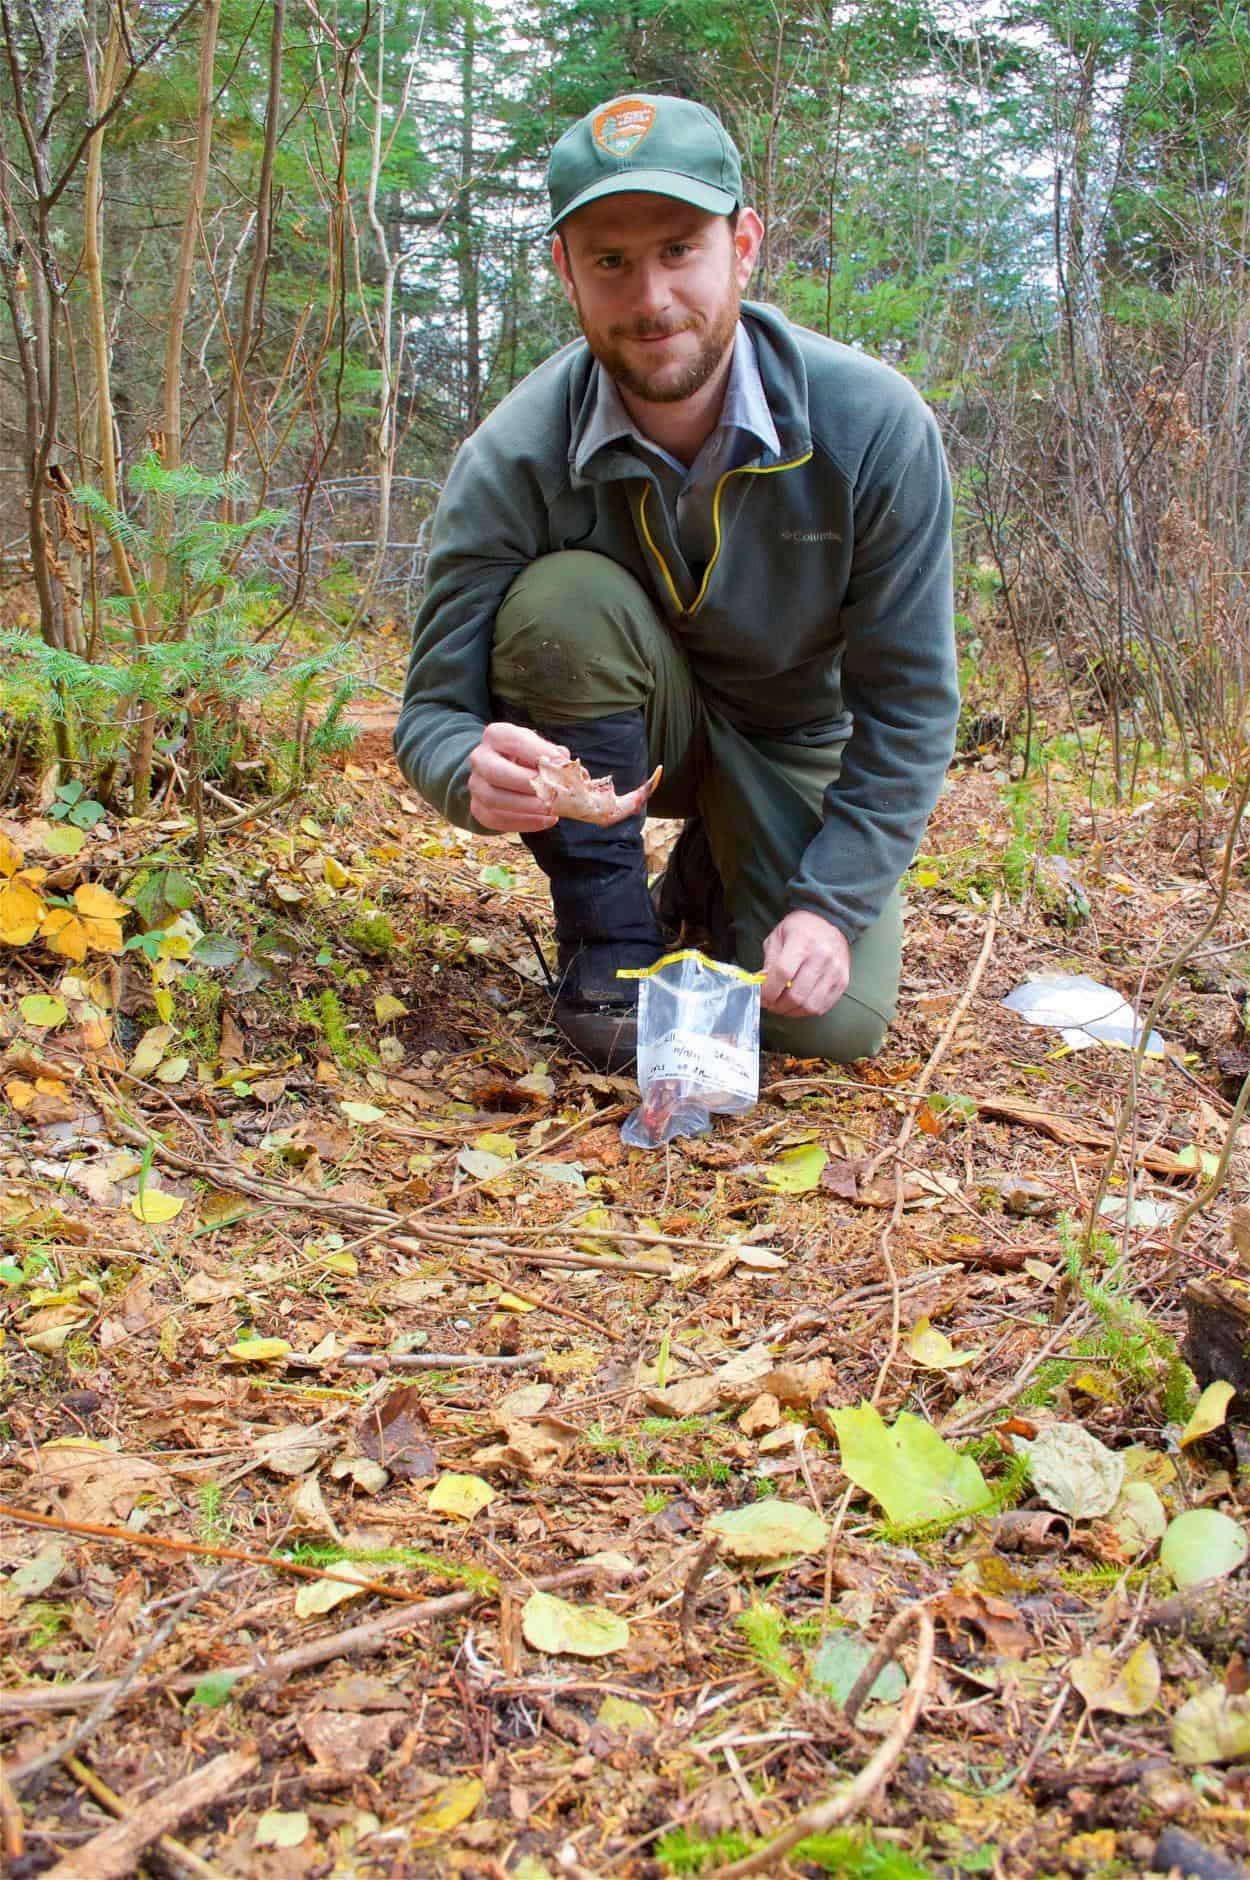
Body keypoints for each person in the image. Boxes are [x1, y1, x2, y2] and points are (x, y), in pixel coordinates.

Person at [395, 92, 959, 1070]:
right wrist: (467, 775)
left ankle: (714, 869)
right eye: (610, 261)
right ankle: (609, 939)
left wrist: (826, 908)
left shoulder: (871, 425)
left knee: (824, 1022)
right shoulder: (513, 457)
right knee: (564, 600)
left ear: (742, 246)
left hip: (791, 740)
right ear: (566, 273)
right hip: (629, 739)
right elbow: (432, 714)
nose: (650, 298)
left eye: (678, 249)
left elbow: (907, 706)